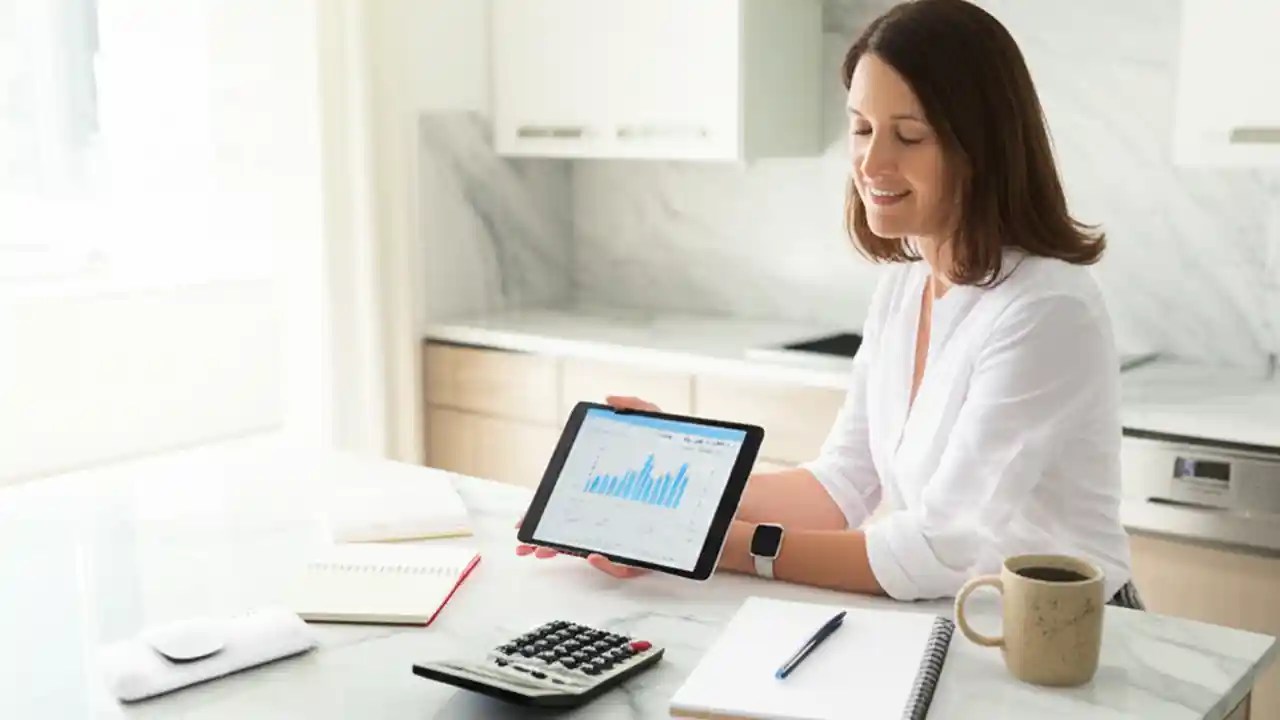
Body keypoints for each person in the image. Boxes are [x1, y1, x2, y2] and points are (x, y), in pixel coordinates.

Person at [517, 0, 1144, 608]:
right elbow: (843, 480)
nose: (872, 161)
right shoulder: (906, 284)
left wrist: (707, 542)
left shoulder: (1046, 309)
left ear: (981, 150)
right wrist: (679, 490)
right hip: (962, 619)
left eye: (909, 136)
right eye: (863, 128)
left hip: (1071, 636)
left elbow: (936, 546)